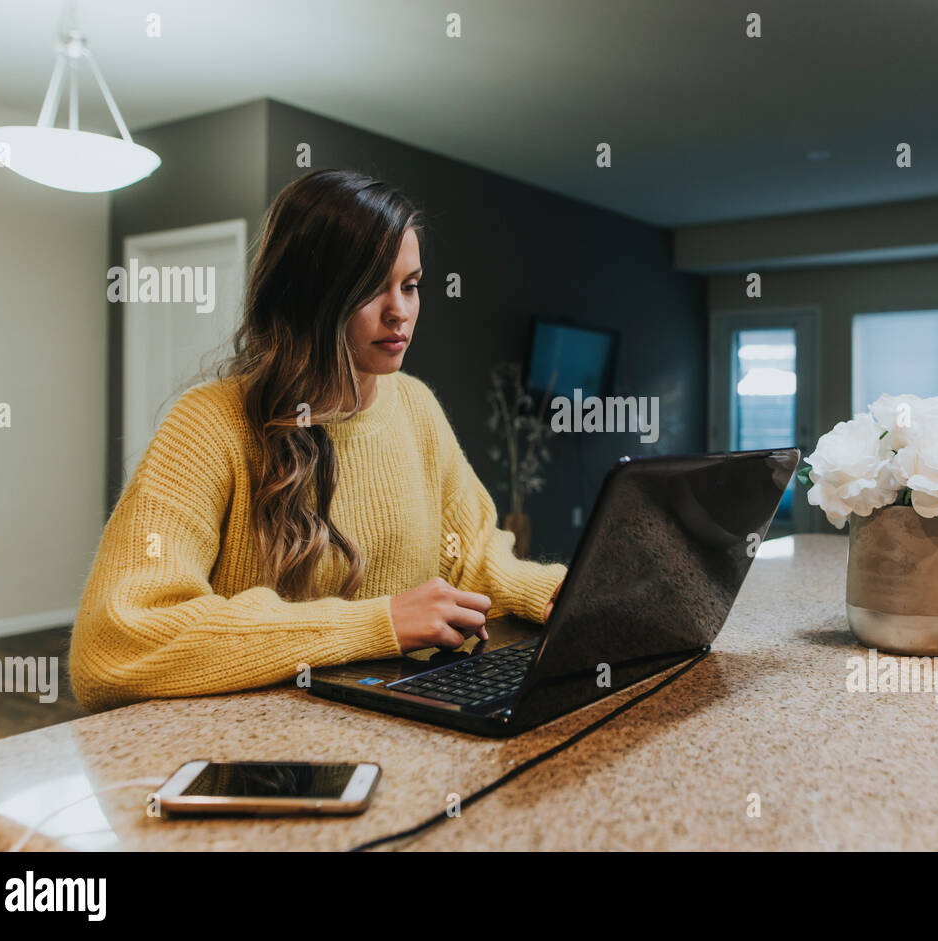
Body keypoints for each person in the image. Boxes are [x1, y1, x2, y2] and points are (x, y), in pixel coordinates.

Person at [70, 170, 566, 711]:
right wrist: (376, 624)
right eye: (371, 287)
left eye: (411, 284)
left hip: (396, 724)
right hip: (255, 753)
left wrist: (560, 595)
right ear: (309, 296)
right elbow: (116, 640)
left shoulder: (415, 406)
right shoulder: (208, 425)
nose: (399, 310)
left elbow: (473, 557)